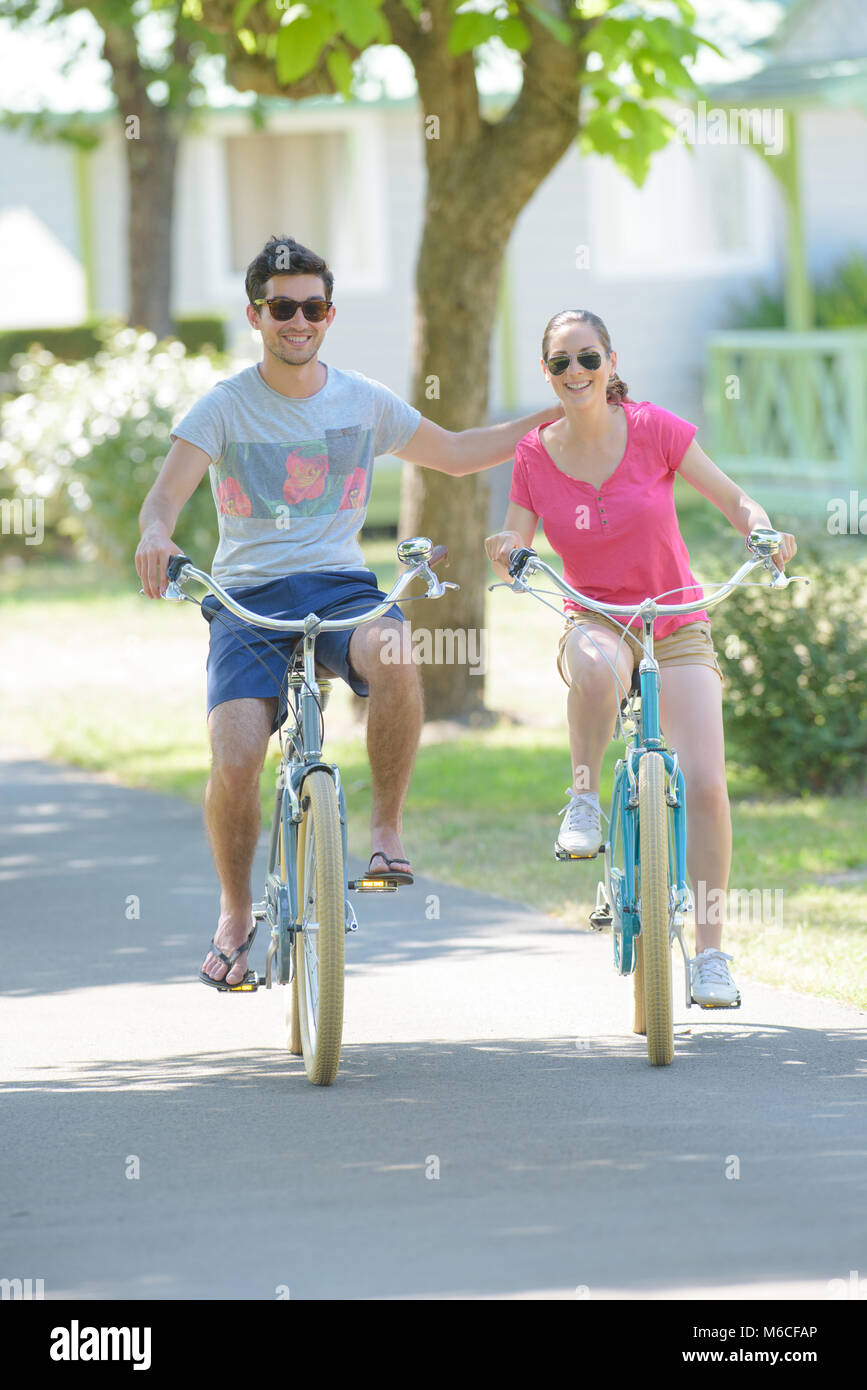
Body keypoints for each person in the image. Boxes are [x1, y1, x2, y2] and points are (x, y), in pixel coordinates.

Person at [135, 235, 562, 989]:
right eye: (282, 308)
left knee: (395, 651)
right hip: (248, 600)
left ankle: (386, 832)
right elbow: (165, 497)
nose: (297, 321)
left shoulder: (361, 399)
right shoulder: (225, 406)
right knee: (234, 758)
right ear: (255, 314)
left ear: (329, 314)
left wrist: (550, 417)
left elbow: (459, 452)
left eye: (313, 307)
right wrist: (154, 537)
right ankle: (236, 915)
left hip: (338, 587)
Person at [485, 309, 797, 1007]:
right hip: (594, 616)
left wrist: (763, 530)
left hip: (674, 619)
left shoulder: (654, 428)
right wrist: (505, 548)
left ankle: (711, 957)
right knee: (594, 670)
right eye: (561, 362)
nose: (575, 373)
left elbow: (732, 499)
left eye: (587, 359)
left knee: (706, 784)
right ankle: (584, 799)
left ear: (611, 363)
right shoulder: (535, 452)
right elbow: (514, 531)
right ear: (546, 373)